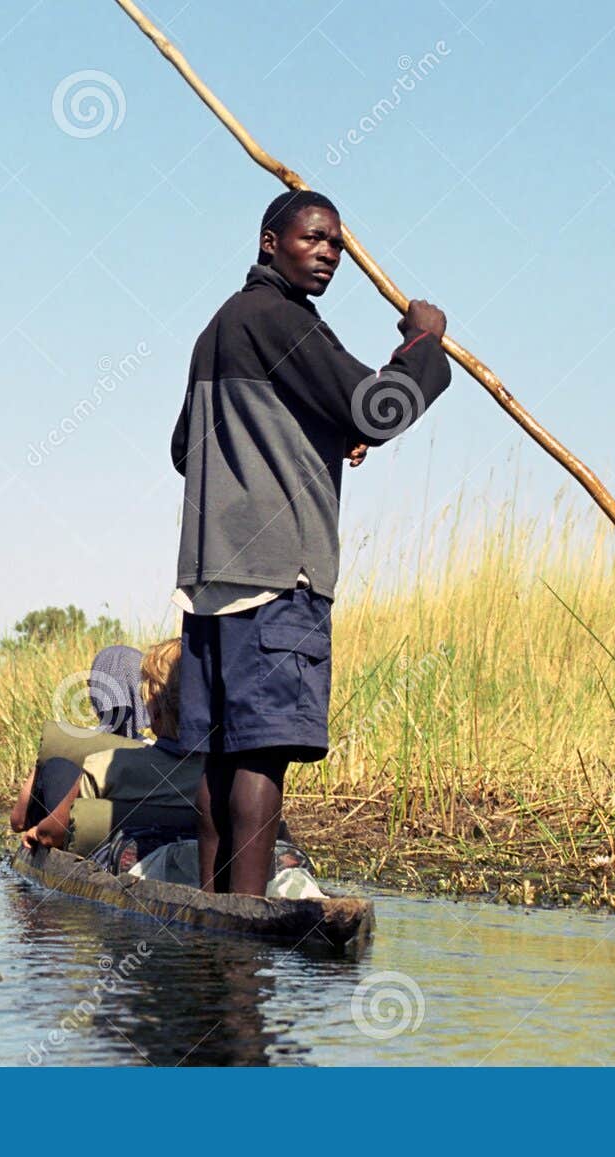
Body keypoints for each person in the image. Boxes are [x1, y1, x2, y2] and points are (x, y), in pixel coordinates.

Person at [171, 190, 451, 894]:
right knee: (261, 756)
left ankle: (214, 919)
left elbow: (186, 449)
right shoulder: (284, 319)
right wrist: (424, 340)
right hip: (277, 572)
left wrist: (315, 437)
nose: (328, 252)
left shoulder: (219, 328)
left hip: (210, 578)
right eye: (313, 238)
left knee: (217, 760)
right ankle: (246, 928)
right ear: (270, 242)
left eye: (338, 244)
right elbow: (377, 408)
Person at [19, 638, 203, 851]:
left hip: (111, 856)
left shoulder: (105, 766)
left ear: (155, 706)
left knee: (57, 768)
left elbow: (42, 829)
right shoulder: (226, 774)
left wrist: (38, 831)